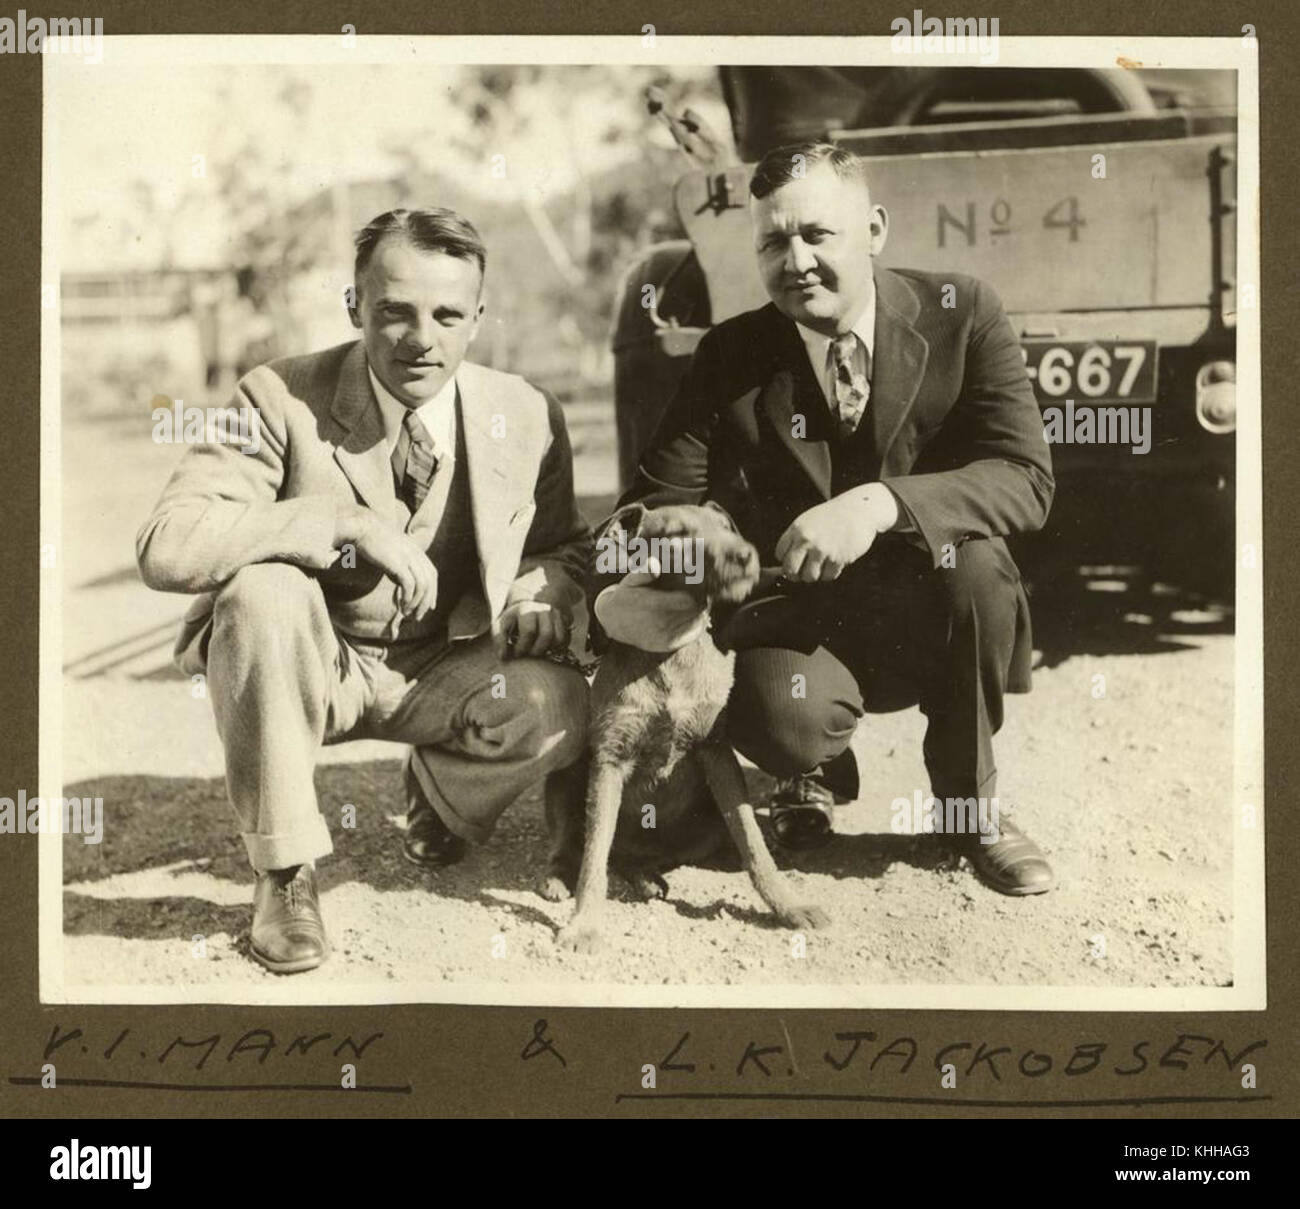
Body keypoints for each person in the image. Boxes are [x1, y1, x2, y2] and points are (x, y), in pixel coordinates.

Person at [137, 207, 591, 973]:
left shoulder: (527, 412)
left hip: (447, 666)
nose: (423, 338)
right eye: (396, 312)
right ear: (355, 307)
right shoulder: (278, 395)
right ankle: (283, 874)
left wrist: (538, 592)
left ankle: (443, 797)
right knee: (261, 592)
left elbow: (563, 548)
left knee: (562, 702)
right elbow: (167, 542)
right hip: (315, 660)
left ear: (478, 318)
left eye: (448, 314)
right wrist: (339, 521)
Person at [612, 141, 1056, 895]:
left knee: (978, 570)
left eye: (818, 235)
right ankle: (809, 767)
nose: (797, 262)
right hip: (803, 618)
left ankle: (967, 807)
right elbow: (656, 502)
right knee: (778, 717)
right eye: (774, 242)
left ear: (874, 230)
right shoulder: (731, 353)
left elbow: (1026, 478)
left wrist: (878, 504)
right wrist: (707, 535)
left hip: (934, 600)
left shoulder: (964, 314)